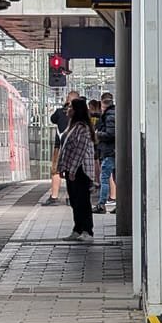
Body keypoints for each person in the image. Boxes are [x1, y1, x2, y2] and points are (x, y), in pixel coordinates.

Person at [58, 98, 97, 240]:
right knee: (75, 200)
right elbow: (66, 150)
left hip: (80, 170)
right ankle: (78, 229)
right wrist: (62, 167)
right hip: (72, 169)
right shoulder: (73, 126)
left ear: (76, 111)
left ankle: (87, 231)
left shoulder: (82, 128)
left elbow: (80, 151)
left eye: (70, 108)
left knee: (82, 201)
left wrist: (73, 170)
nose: (67, 110)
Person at [43, 90, 79, 205]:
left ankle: (54, 197)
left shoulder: (59, 112)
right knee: (72, 172)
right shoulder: (81, 113)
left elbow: (53, 119)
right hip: (75, 148)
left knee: (56, 171)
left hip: (59, 147)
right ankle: (70, 198)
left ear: (67, 100)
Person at [94, 93, 116, 214]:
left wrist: (98, 134)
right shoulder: (112, 113)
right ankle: (122, 204)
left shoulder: (109, 116)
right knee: (117, 179)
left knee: (104, 178)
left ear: (102, 103)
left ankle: (101, 204)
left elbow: (111, 134)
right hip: (113, 151)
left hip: (110, 151)